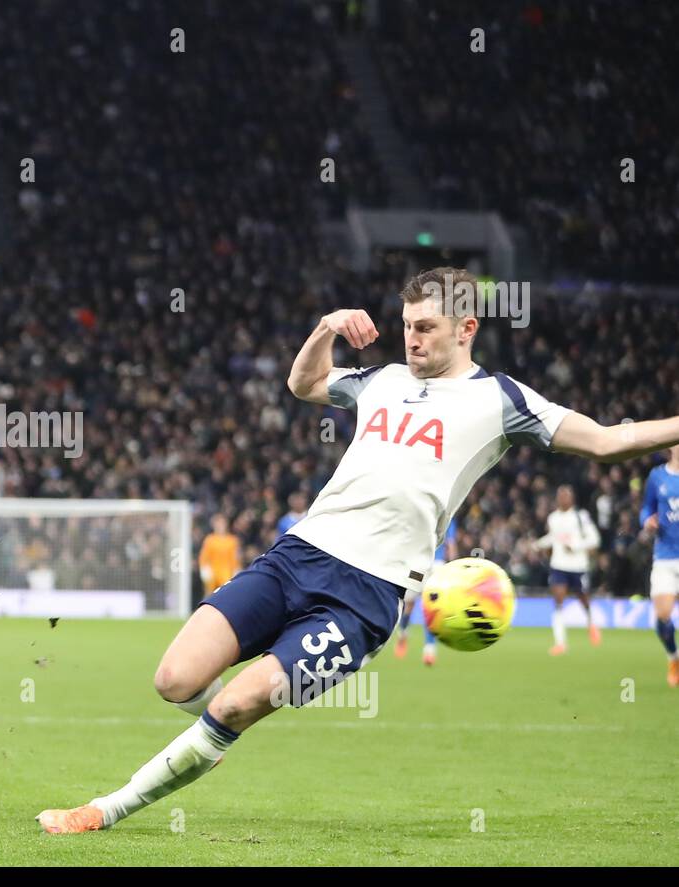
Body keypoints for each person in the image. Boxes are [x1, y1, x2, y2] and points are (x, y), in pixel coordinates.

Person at [37, 267, 679, 833]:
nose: (413, 338)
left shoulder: (502, 400)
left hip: (365, 597)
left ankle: (108, 808)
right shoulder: (381, 379)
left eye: (427, 326)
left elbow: (603, 442)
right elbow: (304, 384)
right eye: (407, 325)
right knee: (174, 680)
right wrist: (325, 328)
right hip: (297, 556)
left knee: (236, 702)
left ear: (467, 327)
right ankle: (209, 739)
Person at [536, 484, 602, 655]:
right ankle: (560, 642)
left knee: (583, 598)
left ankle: (591, 624)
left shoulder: (581, 516)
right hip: (559, 565)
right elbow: (553, 538)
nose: (563, 498)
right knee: (558, 602)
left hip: (578, 566)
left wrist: (576, 546)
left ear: (572, 498)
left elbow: (594, 539)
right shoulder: (553, 518)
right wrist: (537, 544)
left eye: (566, 495)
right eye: (560, 495)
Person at [640, 445, 679, 686]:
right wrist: (647, 521)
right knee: (663, 614)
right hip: (665, 556)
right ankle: (673, 658)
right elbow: (646, 507)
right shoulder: (657, 476)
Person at [394, 518, 457, 665]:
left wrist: (452, 566)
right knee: (408, 604)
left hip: (436, 566)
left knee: (431, 607)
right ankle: (403, 634)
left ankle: (429, 649)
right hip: (418, 566)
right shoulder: (424, 512)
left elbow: (451, 543)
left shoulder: (448, 517)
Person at [198, 514, 241, 597]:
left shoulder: (232, 540)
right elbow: (204, 557)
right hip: (213, 572)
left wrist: (237, 569)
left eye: (222, 523)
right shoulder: (210, 539)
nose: (220, 526)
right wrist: (204, 569)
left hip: (227, 572)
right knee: (210, 595)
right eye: (218, 524)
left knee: (227, 594)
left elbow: (235, 558)